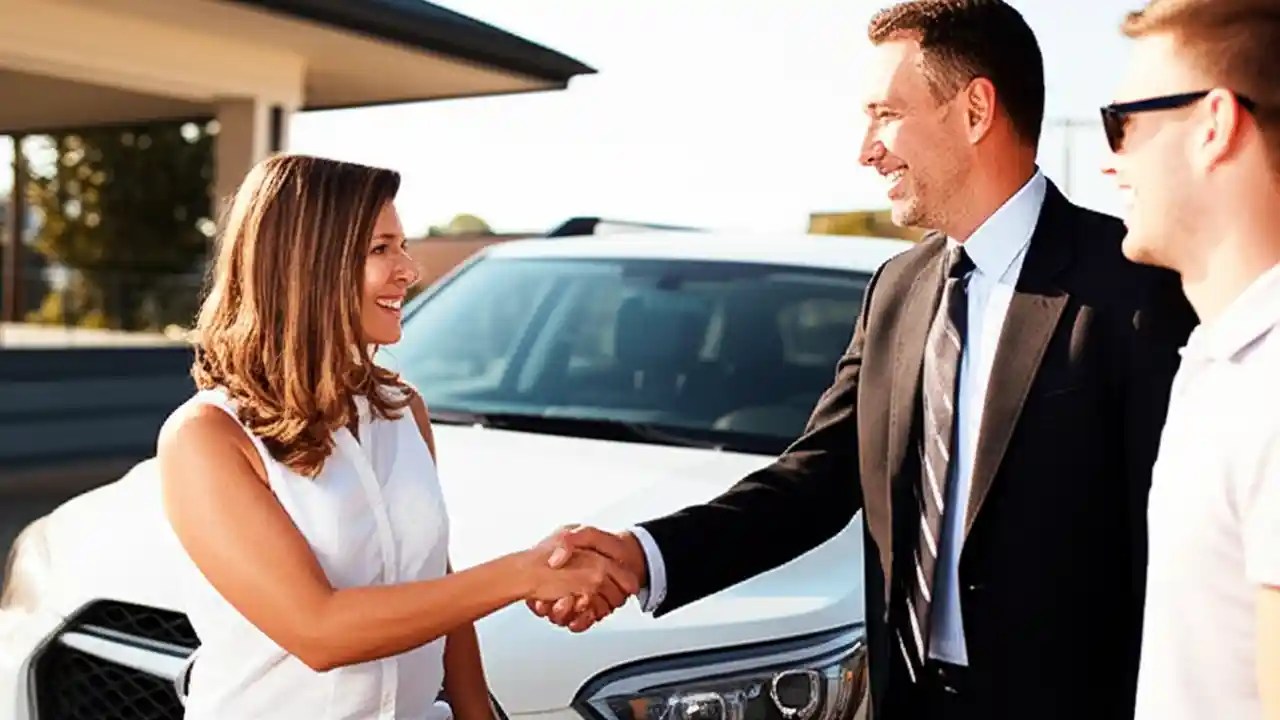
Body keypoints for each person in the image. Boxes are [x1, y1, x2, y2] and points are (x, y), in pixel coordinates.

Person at [530, 1, 1197, 718]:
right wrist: (644, 556)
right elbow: (814, 480)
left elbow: (1179, 556)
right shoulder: (897, 290)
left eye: (885, 113)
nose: (867, 149)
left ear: (975, 110)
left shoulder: (1137, 284)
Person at [159, 154, 639, 720]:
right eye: (381, 250)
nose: (408, 270)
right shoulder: (208, 436)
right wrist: (521, 573)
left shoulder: (401, 408)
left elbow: (436, 577)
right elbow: (319, 631)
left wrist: (475, 714)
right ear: (308, 266)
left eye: (403, 247)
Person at [1100, 1, 1280, 718]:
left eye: (1124, 123)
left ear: (1214, 125)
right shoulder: (1220, 359)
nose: (1113, 162)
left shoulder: (1270, 385)